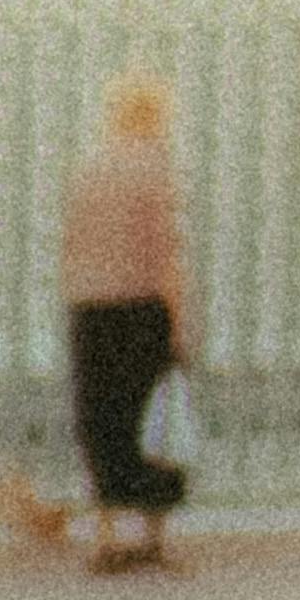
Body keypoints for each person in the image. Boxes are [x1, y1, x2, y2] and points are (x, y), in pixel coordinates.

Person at [60, 74, 192, 571]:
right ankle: (155, 536)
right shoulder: (157, 168)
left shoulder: (90, 166)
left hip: (90, 307)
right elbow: (166, 254)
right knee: (152, 419)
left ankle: (107, 535)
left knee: (102, 420)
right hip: (141, 307)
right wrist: (177, 325)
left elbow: (70, 243)